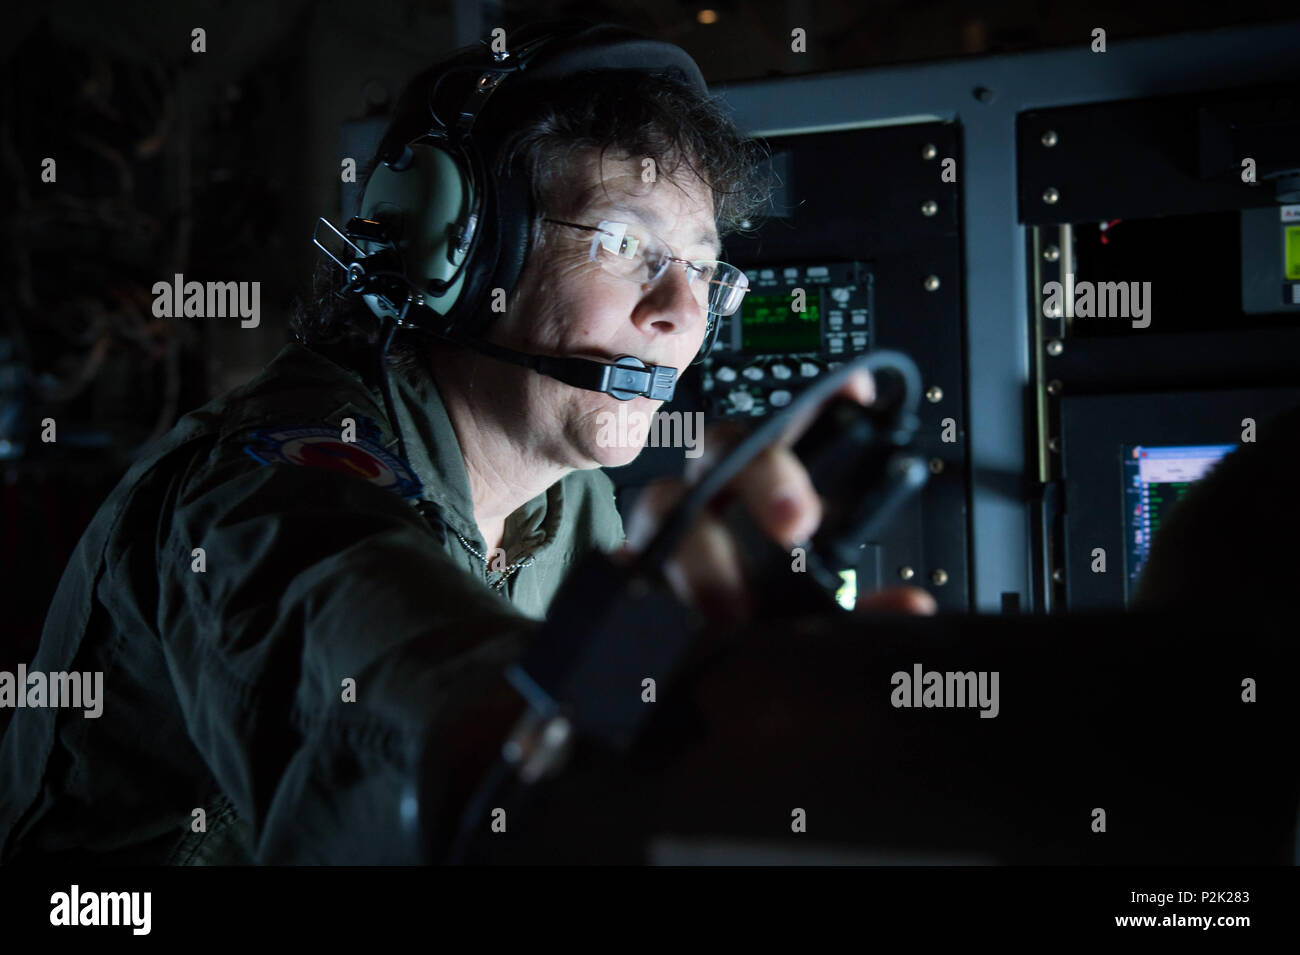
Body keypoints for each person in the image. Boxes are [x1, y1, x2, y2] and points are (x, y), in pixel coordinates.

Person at [0, 22, 931, 865]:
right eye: (620, 241)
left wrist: (733, 699)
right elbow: (397, 696)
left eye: (704, 268)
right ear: (455, 249)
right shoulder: (256, 484)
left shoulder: (574, 506)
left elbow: (592, 748)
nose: (684, 314)